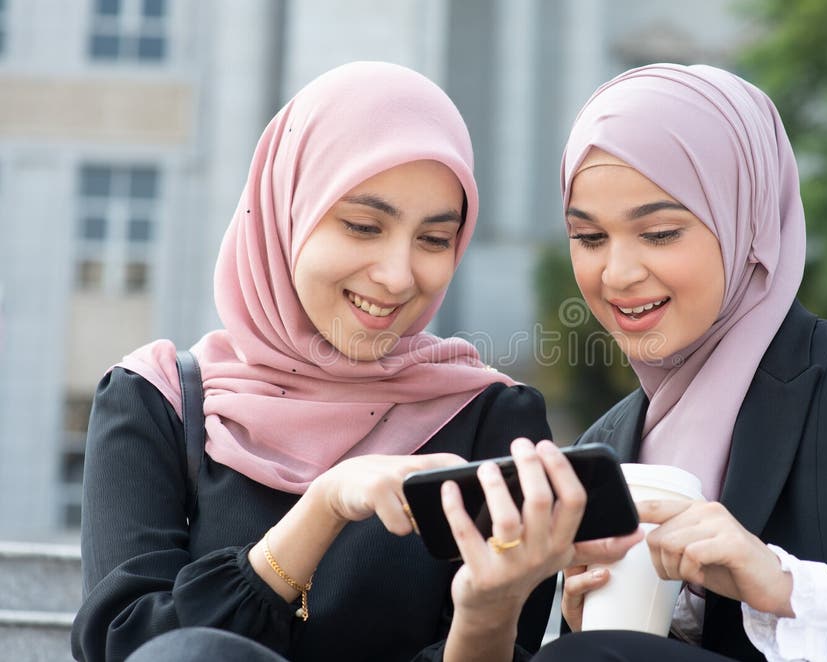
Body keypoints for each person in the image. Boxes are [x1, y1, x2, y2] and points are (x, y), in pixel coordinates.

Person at [70, 61, 602, 662]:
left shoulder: (491, 417)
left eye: (434, 240)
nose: (398, 276)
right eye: (363, 226)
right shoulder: (158, 399)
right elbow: (126, 645)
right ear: (287, 213)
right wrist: (322, 509)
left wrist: (487, 614)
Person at [534, 63, 827, 661]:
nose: (616, 274)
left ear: (745, 223)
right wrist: (590, 629)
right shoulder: (605, 444)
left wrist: (786, 588)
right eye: (589, 238)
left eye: (660, 233)